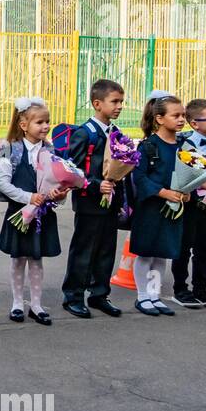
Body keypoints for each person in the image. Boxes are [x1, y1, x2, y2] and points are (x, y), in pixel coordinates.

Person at [0, 97, 67, 326]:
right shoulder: (10, 149)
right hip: (19, 213)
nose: (45, 127)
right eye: (40, 122)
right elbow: (3, 184)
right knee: (18, 259)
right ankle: (17, 303)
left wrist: (58, 195)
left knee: (36, 259)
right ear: (24, 125)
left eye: (48, 122)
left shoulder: (51, 150)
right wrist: (29, 198)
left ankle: (36, 304)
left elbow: (57, 182)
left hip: (42, 214)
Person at [61, 78, 127, 319]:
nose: (120, 106)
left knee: (106, 250)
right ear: (97, 103)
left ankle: (99, 294)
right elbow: (73, 169)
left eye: (122, 101)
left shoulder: (116, 133)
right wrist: (97, 184)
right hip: (90, 202)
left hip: (111, 202)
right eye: (115, 101)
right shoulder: (84, 133)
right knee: (84, 250)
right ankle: (73, 296)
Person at [128, 92, 190, 316]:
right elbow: (140, 177)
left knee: (162, 253)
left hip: (174, 208)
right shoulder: (148, 146)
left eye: (183, 115)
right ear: (160, 119)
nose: (182, 119)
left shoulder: (184, 146)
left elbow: (191, 173)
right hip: (151, 207)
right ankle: (142, 296)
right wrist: (163, 193)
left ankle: (155, 295)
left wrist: (187, 192)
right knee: (146, 252)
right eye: (176, 115)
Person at [172, 98, 206, 309]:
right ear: (194, 123)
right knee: (184, 247)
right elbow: (185, 174)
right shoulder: (185, 143)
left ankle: (201, 288)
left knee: (204, 247)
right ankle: (180, 289)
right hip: (191, 201)